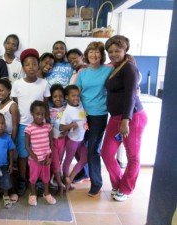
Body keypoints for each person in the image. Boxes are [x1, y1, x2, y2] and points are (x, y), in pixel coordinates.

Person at [101, 35, 147, 202]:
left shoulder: (129, 68)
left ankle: (126, 189)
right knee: (106, 153)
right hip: (115, 118)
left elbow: (130, 96)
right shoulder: (116, 67)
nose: (113, 54)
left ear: (125, 50)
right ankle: (118, 183)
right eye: (110, 51)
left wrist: (125, 121)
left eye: (117, 50)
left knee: (132, 156)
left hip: (132, 117)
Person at [11, 48, 50, 196]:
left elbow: (45, 105)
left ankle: (39, 180)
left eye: (34, 64)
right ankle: (22, 180)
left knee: (40, 154)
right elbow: (15, 104)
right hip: (23, 126)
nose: (31, 67)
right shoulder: (17, 84)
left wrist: (48, 124)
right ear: (23, 67)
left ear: (38, 65)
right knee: (22, 155)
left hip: (40, 127)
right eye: (27, 64)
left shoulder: (44, 83)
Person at [76, 42, 113, 197]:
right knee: (78, 146)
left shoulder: (108, 69)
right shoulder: (83, 72)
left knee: (92, 149)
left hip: (99, 114)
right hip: (82, 114)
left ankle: (96, 182)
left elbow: (129, 68)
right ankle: (84, 172)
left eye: (97, 52)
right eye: (91, 52)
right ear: (87, 54)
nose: (94, 55)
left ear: (102, 55)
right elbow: (76, 92)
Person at [25, 101, 56, 206]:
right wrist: (35, 158)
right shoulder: (29, 128)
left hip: (46, 157)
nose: (40, 116)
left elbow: (51, 143)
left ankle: (46, 193)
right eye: (37, 114)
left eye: (42, 114)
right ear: (32, 113)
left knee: (46, 177)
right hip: (35, 159)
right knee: (33, 178)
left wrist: (50, 157)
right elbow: (27, 146)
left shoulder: (48, 127)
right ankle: (33, 194)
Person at [59, 85, 88, 191]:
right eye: (73, 96)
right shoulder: (67, 111)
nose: (76, 98)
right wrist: (71, 125)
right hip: (72, 140)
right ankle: (65, 181)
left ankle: (70, 178)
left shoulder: (79, 104)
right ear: (66, 97)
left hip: (81, 139)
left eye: (77, 95)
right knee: (68, 160)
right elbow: (61, 127)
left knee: (85, 159)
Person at [49, 84, 66, 196]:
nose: (58, 98)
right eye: (55, 96)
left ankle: (53, 181)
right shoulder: (49, 111)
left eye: (60, 96)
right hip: (52, 141)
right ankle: (60, 185)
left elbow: (71, 123)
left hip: (63, 140)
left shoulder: (67, 109)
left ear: (64, 97)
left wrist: (67, 131)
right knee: (55, 163)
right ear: (51, 98)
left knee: (59, 162)